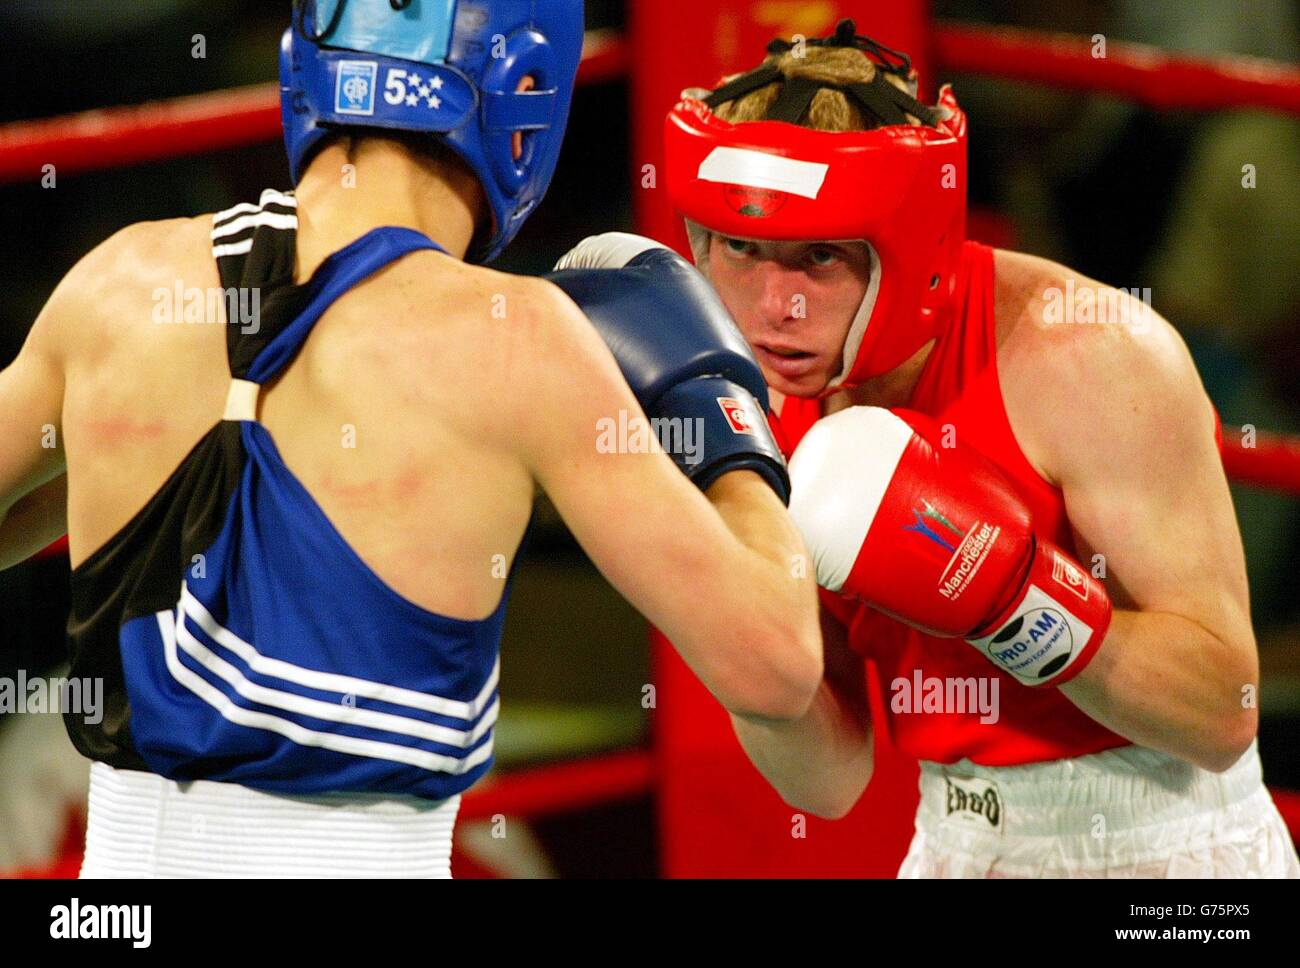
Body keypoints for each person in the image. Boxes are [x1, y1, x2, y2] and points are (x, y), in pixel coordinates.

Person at [0, 0, 821, 877]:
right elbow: (775, 666)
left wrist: (122, 465)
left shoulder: (117, 287)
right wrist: (723, 418)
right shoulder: (523, 344)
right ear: (525, 94)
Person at [661, 18, 1300, 877]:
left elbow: (1222, 715)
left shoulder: (1090, 353)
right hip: (955, 838)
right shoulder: (748, 405)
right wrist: (715, 610)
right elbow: (832, 777)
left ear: (909, 241)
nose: (776, 305)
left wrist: (1009, 594)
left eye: (819, 257)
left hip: (1168, 847)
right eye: (741, 247)